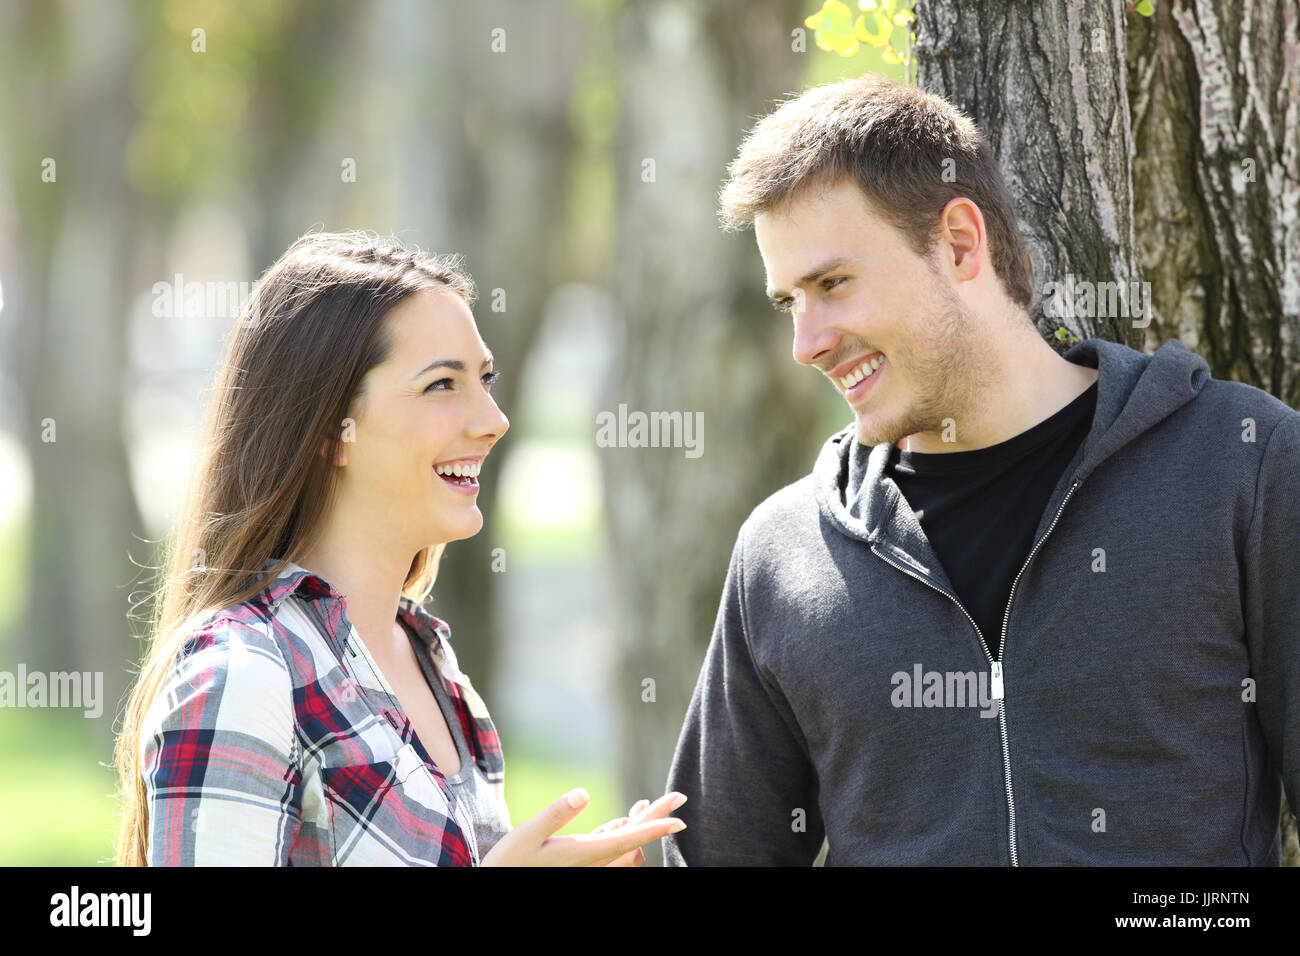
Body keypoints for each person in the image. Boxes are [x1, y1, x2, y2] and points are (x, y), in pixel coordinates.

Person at [663, 73, 1300, 865]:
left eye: (832, 284)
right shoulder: (784, 554)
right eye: (791, 301)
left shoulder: (1243, 465)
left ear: (960, 243)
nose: (809, 341)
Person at [113, 230, 685, 866]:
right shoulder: (243, 674)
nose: (492, 418)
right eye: (442, 384)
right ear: (332, 426)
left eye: (485, 378)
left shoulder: (428, 658)